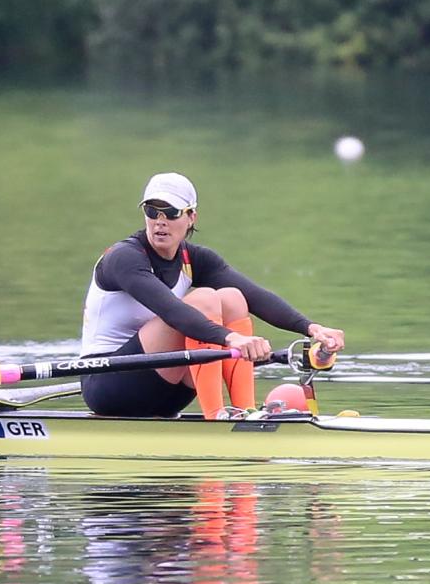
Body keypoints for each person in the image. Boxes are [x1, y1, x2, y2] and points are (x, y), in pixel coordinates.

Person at [79, 173, 346, 418]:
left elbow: (256, 296)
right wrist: (232, 338)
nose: (160, 221)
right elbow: (172, 312)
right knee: (204, 299)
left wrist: (312, 328)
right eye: (152, 211)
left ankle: (245, 411)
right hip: (107, 384)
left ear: (191, 217)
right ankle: (216, 415)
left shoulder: (195, 259)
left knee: (233, 298)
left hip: (169, 391)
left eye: (171, 212)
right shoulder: (123, 258)